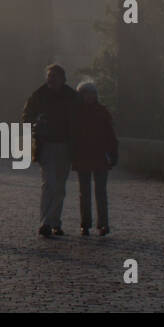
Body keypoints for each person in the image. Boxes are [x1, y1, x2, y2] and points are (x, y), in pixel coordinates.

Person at [21, 63, 77, 237]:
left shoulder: (71, 96)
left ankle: (55, 222)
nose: (51, 80)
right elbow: (26, 116)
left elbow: (80, 120)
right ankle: (46, 222)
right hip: (46, 145)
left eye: (54, 76)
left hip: (66, 145)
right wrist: (36, 122)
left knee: (59, 187)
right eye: (49, 76)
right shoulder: (39, 95)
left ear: (62, 78)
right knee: (49, 184)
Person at [71, 81, 118, 236]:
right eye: (86, 93)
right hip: (83, 156)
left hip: (99, 156)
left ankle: (103, 224)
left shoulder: (102, 112)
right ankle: (85, 224)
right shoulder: (76, 113)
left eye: (91, 93)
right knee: (84, 193)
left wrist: (113, 153)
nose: (89, 97)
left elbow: (110, 135)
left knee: (100, 192)